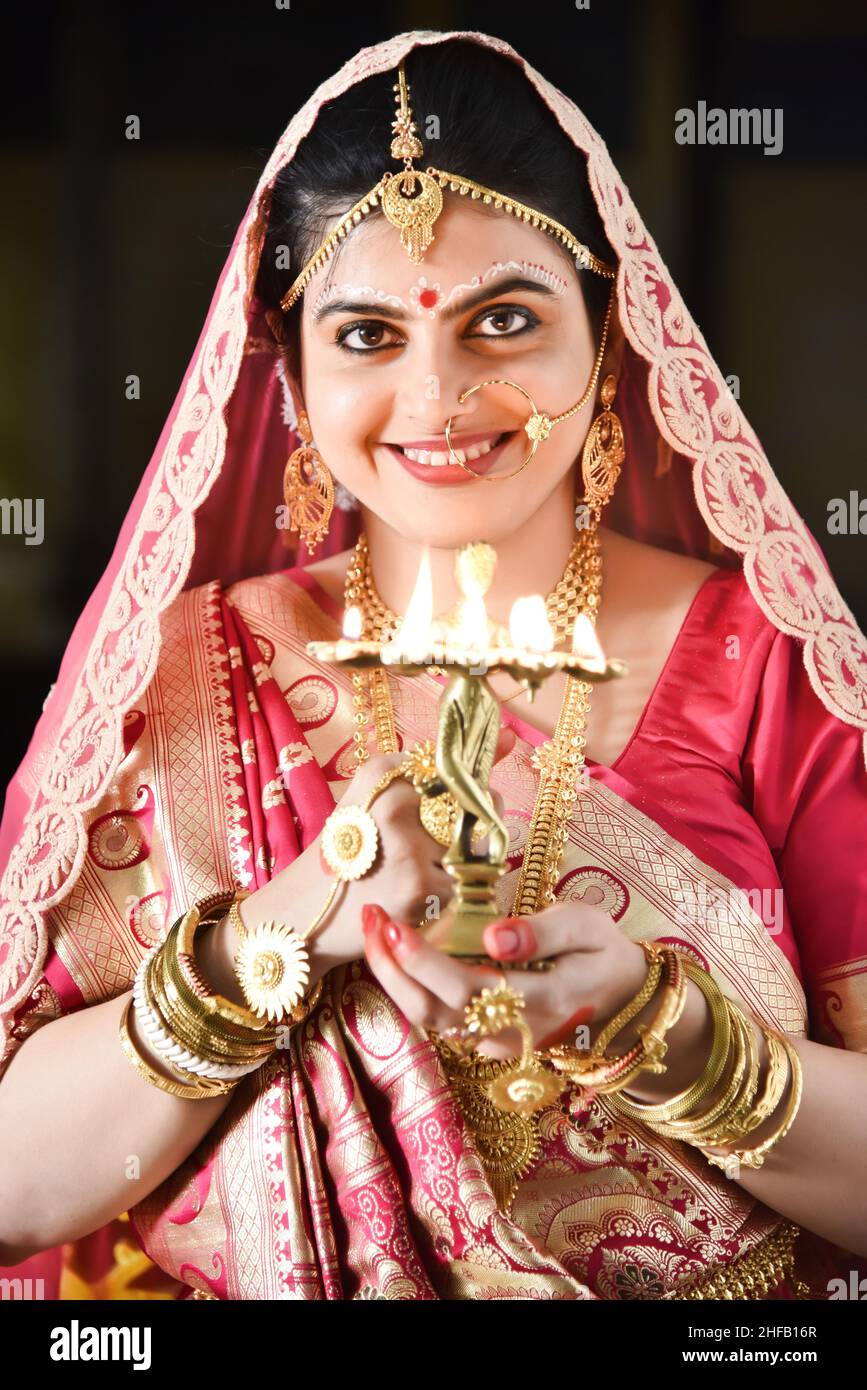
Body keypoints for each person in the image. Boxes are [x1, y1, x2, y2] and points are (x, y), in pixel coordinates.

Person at [1, 29, 865, 1303]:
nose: (441, 394)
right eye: (363, 336)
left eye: (503, 320)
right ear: (290, 380)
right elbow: (17, 1188)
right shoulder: (181, 676)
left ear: (606, 338)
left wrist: (662, 1034)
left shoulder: (769, 668)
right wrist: (276, 937)